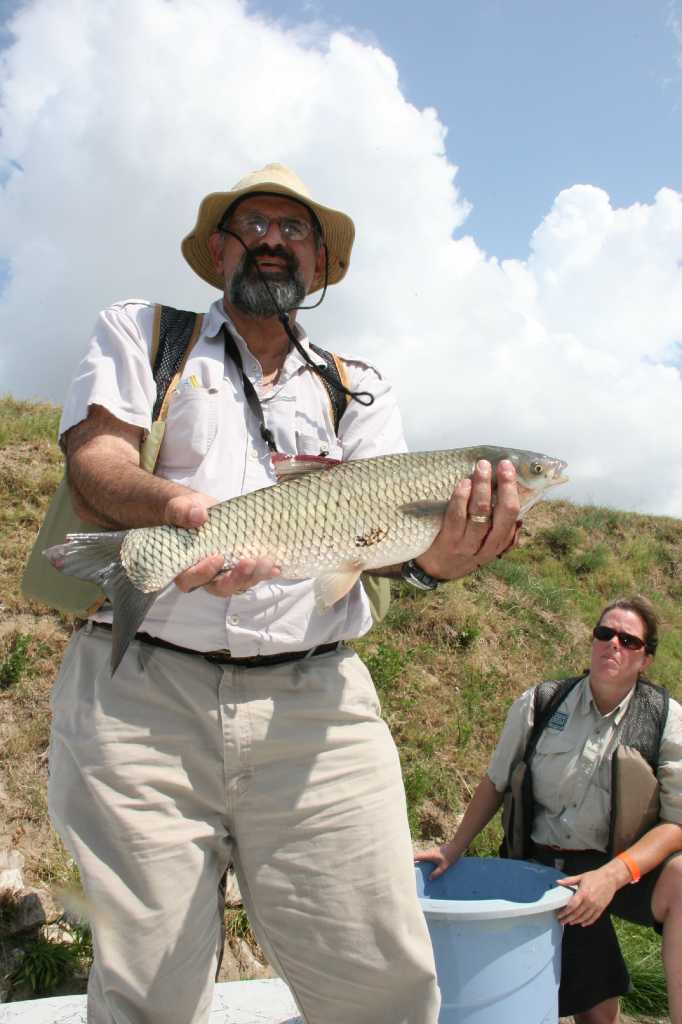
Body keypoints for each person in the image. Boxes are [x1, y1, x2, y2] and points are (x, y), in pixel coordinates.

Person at [46, 163, 522, 1024]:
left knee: (382, 982)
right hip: (140, 705)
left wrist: (445, 557)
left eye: (293, 229)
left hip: (318, 703)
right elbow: (96, 466)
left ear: (319, 263)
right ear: (221, 250)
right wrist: (179, 511)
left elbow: (387, 552)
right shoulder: (147, 334)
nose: (272, 239)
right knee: (148, 988)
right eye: (253, 225)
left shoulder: (361, 385)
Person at [416, 595, 682, 1024]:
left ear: (645, 658)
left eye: (629, 640)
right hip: (545, 867)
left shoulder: (666, 718)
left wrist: (613, 876)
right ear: (592, 641)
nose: (613, 644)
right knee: (597, 1016)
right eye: (605, 633)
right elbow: (495, 783)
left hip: (618, 865)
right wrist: (453, 848)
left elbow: (676, 824)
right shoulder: (542, 702)